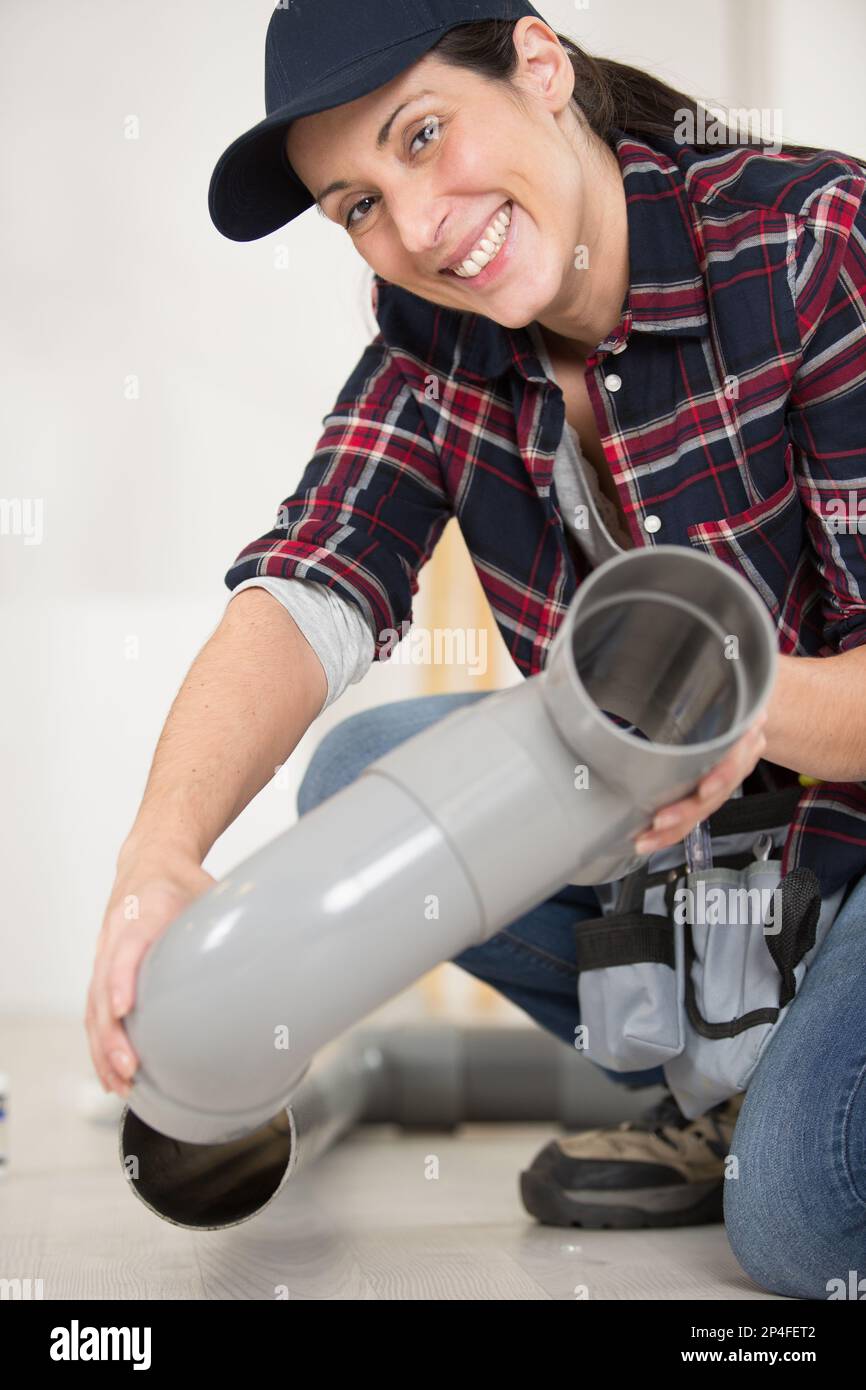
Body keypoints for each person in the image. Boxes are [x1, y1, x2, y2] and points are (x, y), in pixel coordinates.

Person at [85, 1, 866, 1299]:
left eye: (424, 134)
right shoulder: (432, 345)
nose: (415, 227)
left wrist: (741, 706)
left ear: (540, 64)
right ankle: (739, 1075)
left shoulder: (815, 248)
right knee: (363, 777)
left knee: (793, 1226)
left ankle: (778, 1101)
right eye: (356, 203)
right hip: (724, 850)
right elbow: (310, 580)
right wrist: (158, 851)